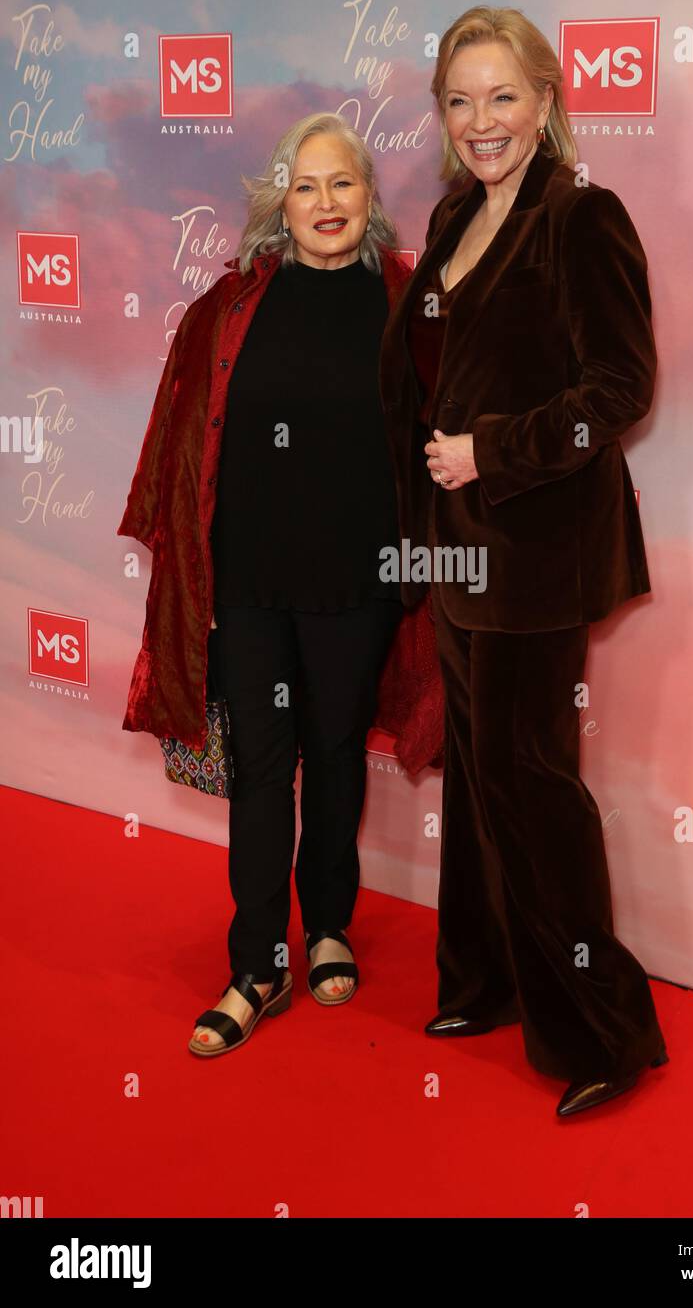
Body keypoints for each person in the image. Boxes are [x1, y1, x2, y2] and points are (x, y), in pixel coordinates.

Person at [378, 7, 668, 1117]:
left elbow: (615, 392)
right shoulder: (456, 213)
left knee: (528, 782)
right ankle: (487, 978)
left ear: (544, 102)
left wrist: (488, 451)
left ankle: (602, 1026)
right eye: (459, 100)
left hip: (535, 552)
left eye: (501, 97)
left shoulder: (579, 217)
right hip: (454, 554)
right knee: (483, 774)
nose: (480, 121)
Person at [118, 112, 441, 1057]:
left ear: (369, 199)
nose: (326, 203)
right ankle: (257, 964)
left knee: (337, 753)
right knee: (263, 766)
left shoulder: (407, 303)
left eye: (343, 184)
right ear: (281, 204)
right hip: (251, 583)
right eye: (307, 187)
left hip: (361, 581)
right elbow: (185, 441)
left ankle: (330, 922)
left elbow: (440, 434)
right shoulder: (230, 307)